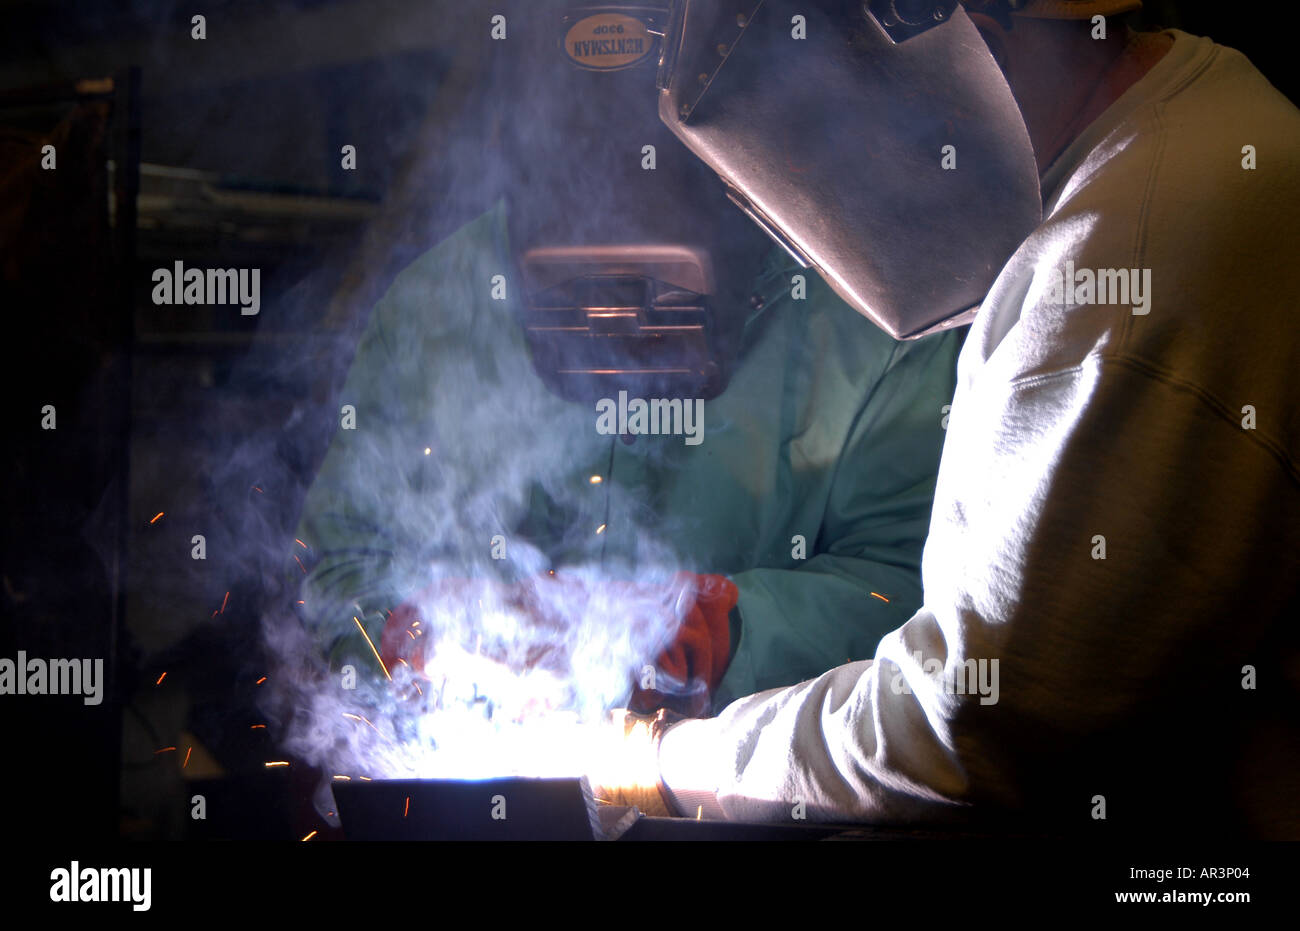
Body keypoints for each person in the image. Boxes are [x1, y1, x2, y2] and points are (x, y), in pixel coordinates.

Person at [637, 0, 1300, 838]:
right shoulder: (1183, 128)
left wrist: (668, 763)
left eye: (828, 116)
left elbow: (971, 730)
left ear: (964, 33)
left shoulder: (1124, 271)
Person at [289, 2, 964, 721]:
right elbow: (338, 567)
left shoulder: (879, 308)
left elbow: (921, 592)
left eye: (658, 298)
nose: (617, 337)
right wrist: (413, 632)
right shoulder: (438, 304)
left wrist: (722, 630)